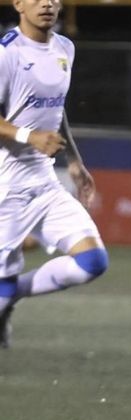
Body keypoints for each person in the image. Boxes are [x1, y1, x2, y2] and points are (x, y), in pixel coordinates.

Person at [0, 0, 109, 348]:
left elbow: (55, 109)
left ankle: (9, 295)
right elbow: (27, 127)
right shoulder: (7, 53)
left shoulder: (65, 48)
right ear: (18, 4)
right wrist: (28, 136)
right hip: (5, 186)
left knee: (93, 262)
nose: (45, 4)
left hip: (44, 181)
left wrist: (74, 161)